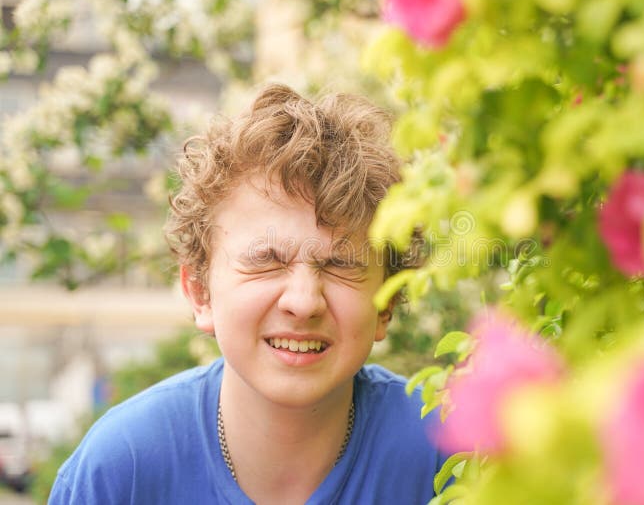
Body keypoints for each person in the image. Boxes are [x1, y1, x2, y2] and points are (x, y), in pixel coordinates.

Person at [49, 84, 445, 504]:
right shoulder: (122, 469)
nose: (304, 301)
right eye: (267, 261)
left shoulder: (447, 450)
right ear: (200, 292)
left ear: (386, 303)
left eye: (340, 264)